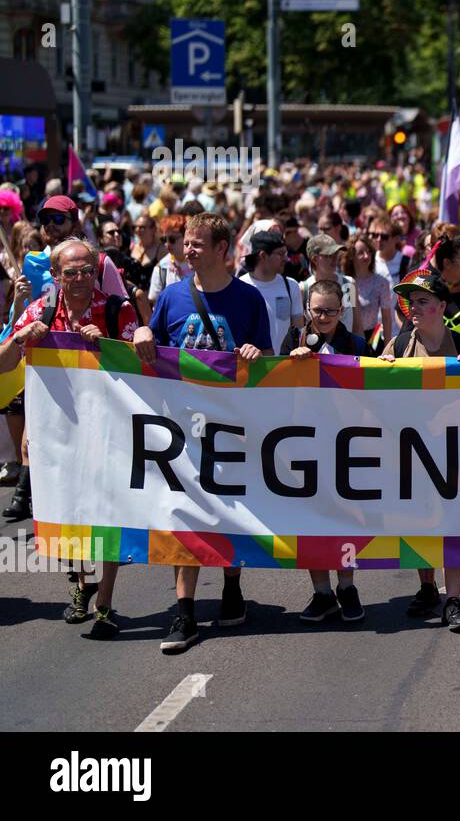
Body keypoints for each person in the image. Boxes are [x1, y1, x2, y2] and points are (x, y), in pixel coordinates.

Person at [133, 212, 273, 654]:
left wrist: (256, 353)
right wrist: (139, 329)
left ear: (221, 249)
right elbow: (149, 345)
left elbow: (270, 361)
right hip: (182, 430)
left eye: (196, 243)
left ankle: (232, 584)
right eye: (184, 243)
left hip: (232, 427)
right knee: (184, 515)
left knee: (229, 510)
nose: (187, 249)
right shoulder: (173, 297)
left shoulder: (248, 300)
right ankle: (185, 612)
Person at [0, 239, 138, 634]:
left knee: (110, 514)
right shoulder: (40, 309)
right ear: (57, 276)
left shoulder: (116, 308)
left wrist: (112, 345)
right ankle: (80, 582)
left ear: (96, 273)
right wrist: (22, 337)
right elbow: (4, 362)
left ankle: (106, 605)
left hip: (111, 430)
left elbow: (143, 365)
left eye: (87, 272)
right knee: (65, 513)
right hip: (58, 434)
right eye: (71, 273)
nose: (79, 280)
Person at [378, 271, 460, 628]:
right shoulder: (399, 344)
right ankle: (427, 586)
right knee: (420, 518)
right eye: (410, 302)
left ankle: (453, 599)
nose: (414, 308)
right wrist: (382, 374)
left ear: (440, 306)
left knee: (453, 522)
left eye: (423, 301)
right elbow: (370, 393)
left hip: (455, 451)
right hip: (412, 448)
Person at [281, 280, 369, 623]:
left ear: (342, 311)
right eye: (317, 310)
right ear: (307, 310)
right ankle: (322, 592)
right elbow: (273, 381)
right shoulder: (293, 339)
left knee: (347, 518)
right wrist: (292, 362)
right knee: (310, 520)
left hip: (346, 445)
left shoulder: (357, 344)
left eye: (330, 311)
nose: (323, 316)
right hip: (302, 442)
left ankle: (347, 586)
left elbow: (379, 386)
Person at [239, 229, 305, 357]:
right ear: (263, 256)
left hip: (284, 367)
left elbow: (299, 331)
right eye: (280, 254)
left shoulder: (291, 286)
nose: (286, 259)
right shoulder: (240, 287)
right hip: (252, 367)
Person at [301, 233, 359, 336]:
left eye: (336, 254)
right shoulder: (303, 289)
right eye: (329, 255)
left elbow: (357, 325)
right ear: (314, 259)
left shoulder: (349, 284)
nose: (334, 259)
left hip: (346, 350)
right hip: (316, 351)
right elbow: (301, 330)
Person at [343, 233, 393, 350]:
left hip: (372, 341)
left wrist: (388, 348)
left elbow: (386, 318)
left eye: (368, 251)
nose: (366, 256)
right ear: (351, 257)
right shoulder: (346, 282)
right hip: (349, 339)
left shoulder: (381, 282)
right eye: (361, 253)